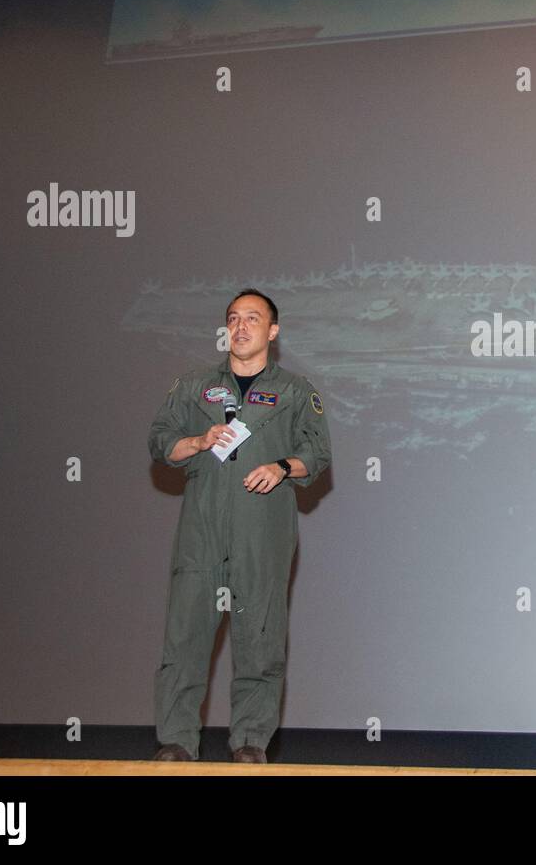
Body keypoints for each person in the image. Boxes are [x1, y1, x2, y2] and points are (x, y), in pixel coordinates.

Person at [146, 288, 331, 763]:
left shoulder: (294, 390)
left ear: (273, 331)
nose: (241, 326)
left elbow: (318, 454)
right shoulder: (194, 386)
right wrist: (199, 439)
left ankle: (250, 741)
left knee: (260, 639)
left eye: (253, 318)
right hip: (201, 535)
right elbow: (160, 442)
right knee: (184, 637)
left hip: (262, 535)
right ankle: (176, 742)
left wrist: (282, 467)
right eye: (233, 318)